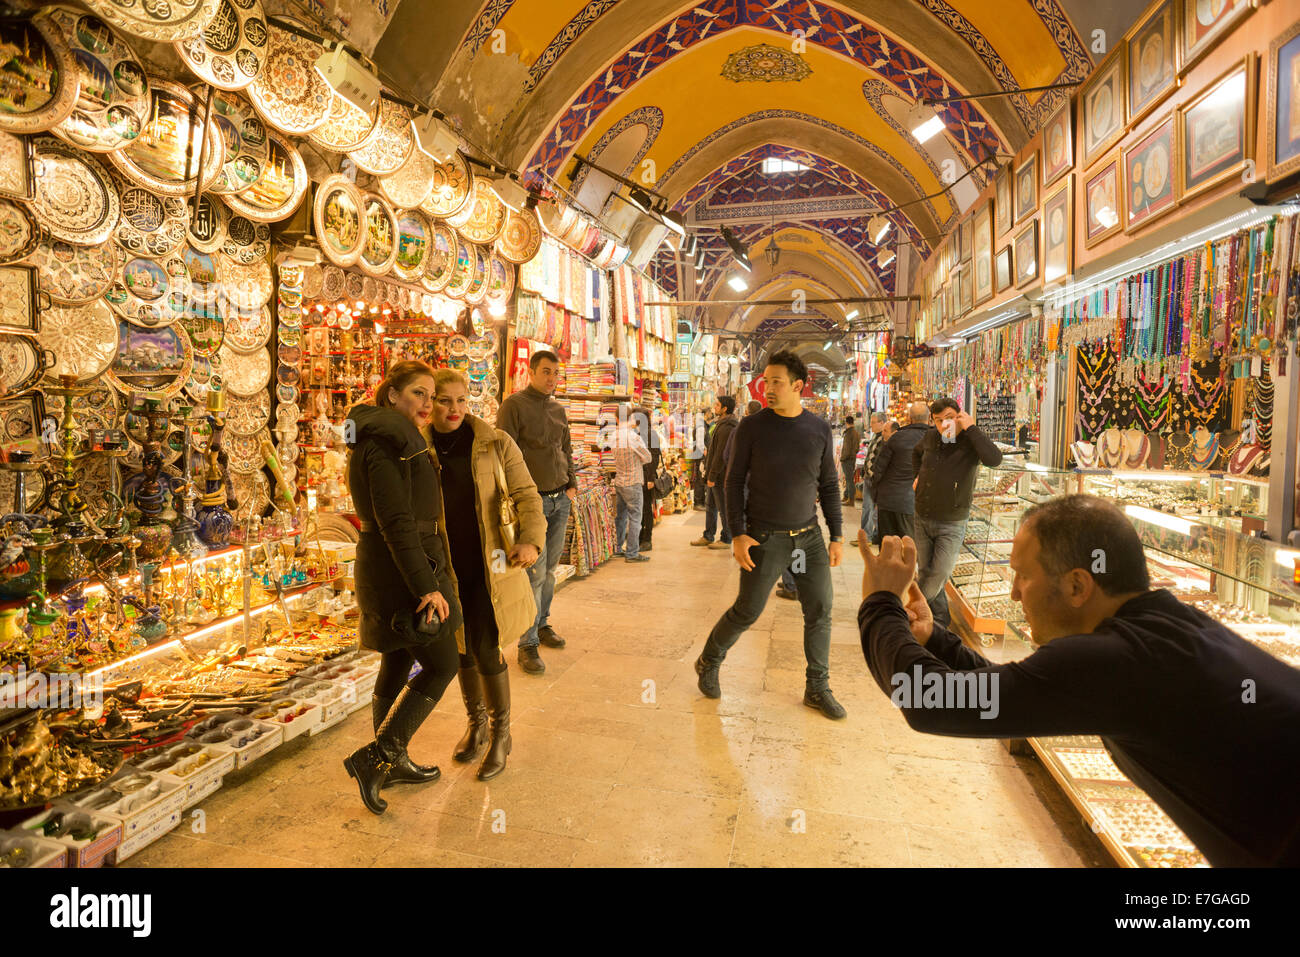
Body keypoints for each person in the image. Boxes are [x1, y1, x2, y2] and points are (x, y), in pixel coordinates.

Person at [856, 495, 1300, 867]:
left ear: (1076, 586)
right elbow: (1004, 691)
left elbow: (926, 698)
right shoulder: (1160, 625)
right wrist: (936, 637)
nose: (1013, 593)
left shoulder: (1118, 660)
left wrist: (880, 601)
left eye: (1023, 576)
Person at [342, 361, 465, 815]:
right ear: (391, 395)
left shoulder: (389, 438)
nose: (428, 404)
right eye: (418, 393)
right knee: (442, 662)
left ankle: (392, 760)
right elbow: (397, 523)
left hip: (395, 563)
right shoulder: (386, 444)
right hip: (400, 570)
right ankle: (377, 756)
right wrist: (426, 586)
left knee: (397, 659)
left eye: (431, 396)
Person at [695, 351, 847, 719]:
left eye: (776, 381)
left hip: (808, 537)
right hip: (765, 537)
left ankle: (817, 686)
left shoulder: (819, 429)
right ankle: (709, 660)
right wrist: (737, 534)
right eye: (766, 380)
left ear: (798, 385)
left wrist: (837, 535)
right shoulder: (753, 427)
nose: (768, 387)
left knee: (821, 610)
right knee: (747, 610)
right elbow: (732, 482)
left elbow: (828, 485)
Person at [427, 369, 545, 781]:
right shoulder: (417, 446)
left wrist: (531, 540)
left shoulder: (495, 442)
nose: (455, 409)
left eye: (461, 400)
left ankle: (500, 734)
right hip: (444, 565)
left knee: (485, 644)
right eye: (445, 400)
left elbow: (527, 494)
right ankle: (476, 724)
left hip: (491, 561)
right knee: (460, 648)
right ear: (430, 403)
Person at [496, 350, 575, 675]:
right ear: (530, 372)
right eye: (545, 372)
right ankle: (526, 643)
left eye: (555, 373)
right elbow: (505, 452)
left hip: (560, 499)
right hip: (532, 503)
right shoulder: (513, 406)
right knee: (533, 573)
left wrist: (571, 484)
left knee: (551, 569)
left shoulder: (558, 409)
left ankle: (542, 623)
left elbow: (565, 448)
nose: (551, 379)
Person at [912, 397, 1003, 626]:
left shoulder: (970, 440)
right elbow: (915, 453)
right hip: (922, 515)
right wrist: (917, 477)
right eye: (938, 420)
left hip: (952, 521)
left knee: (940, 573)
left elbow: (994, 459)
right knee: (925, 571)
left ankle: (911, 611)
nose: (944, 425)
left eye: (950, 418)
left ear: (960, 416)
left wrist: (971, 427)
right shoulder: (931, 436)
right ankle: (940, 621)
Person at [868, 402, 929, 546]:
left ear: (910, 418)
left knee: (888, 547)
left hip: (887, 500)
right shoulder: (932, 438)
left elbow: (878, 468)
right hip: (911, 502)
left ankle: (887, 569)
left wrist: (876, 494)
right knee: (907, 549)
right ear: (929, 418)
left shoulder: (896, 437)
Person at [604, 405, 652, 562]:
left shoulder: (613, 436)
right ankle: (632, 552)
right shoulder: (633, 437)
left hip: (619, 481)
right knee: (635, 518)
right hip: (633, 481)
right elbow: (648, 457)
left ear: (616, 418)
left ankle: (617, 548)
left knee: (620, 517)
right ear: (631, 418)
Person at [691, 395, 738, 549]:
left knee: (723, 507)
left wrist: (712, 475)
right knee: (710, 505)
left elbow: (720, 454)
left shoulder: (727, 427)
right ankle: (708, 535)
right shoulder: (720, 423)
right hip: (714, 473)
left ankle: (726, 538)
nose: (714, 407)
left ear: (725, 409)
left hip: (721, 475)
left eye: (717, 405)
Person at [857, 412, 888, 540]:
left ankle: (873, 535)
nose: (871, 425)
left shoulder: (885, 438)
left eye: (873, 422)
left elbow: (881, 460)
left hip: (876, 479)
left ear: (882, 423)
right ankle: (866, 535)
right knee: (867, 507)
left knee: (875, 509)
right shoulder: (875, 436)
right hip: (869, 478)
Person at [637, 407, 661, 553]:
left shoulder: (651, 434)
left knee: (646, 508)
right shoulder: (639, 433)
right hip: (638, 477)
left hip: (647, 478)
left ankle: (647, 539)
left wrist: (651, 478)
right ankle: (640, 538)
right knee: (639, 509)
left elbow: (655, 457)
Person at [840, 415, 862, 506]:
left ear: (846, 423)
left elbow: (847, 448)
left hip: (848, 459)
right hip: (851, 458)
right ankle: (846, 496)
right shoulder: (855, 433)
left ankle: (851, 499)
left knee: (849, 480)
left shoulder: (849, 433)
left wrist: (843, 458)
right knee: (849, 478)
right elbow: (856, 448)